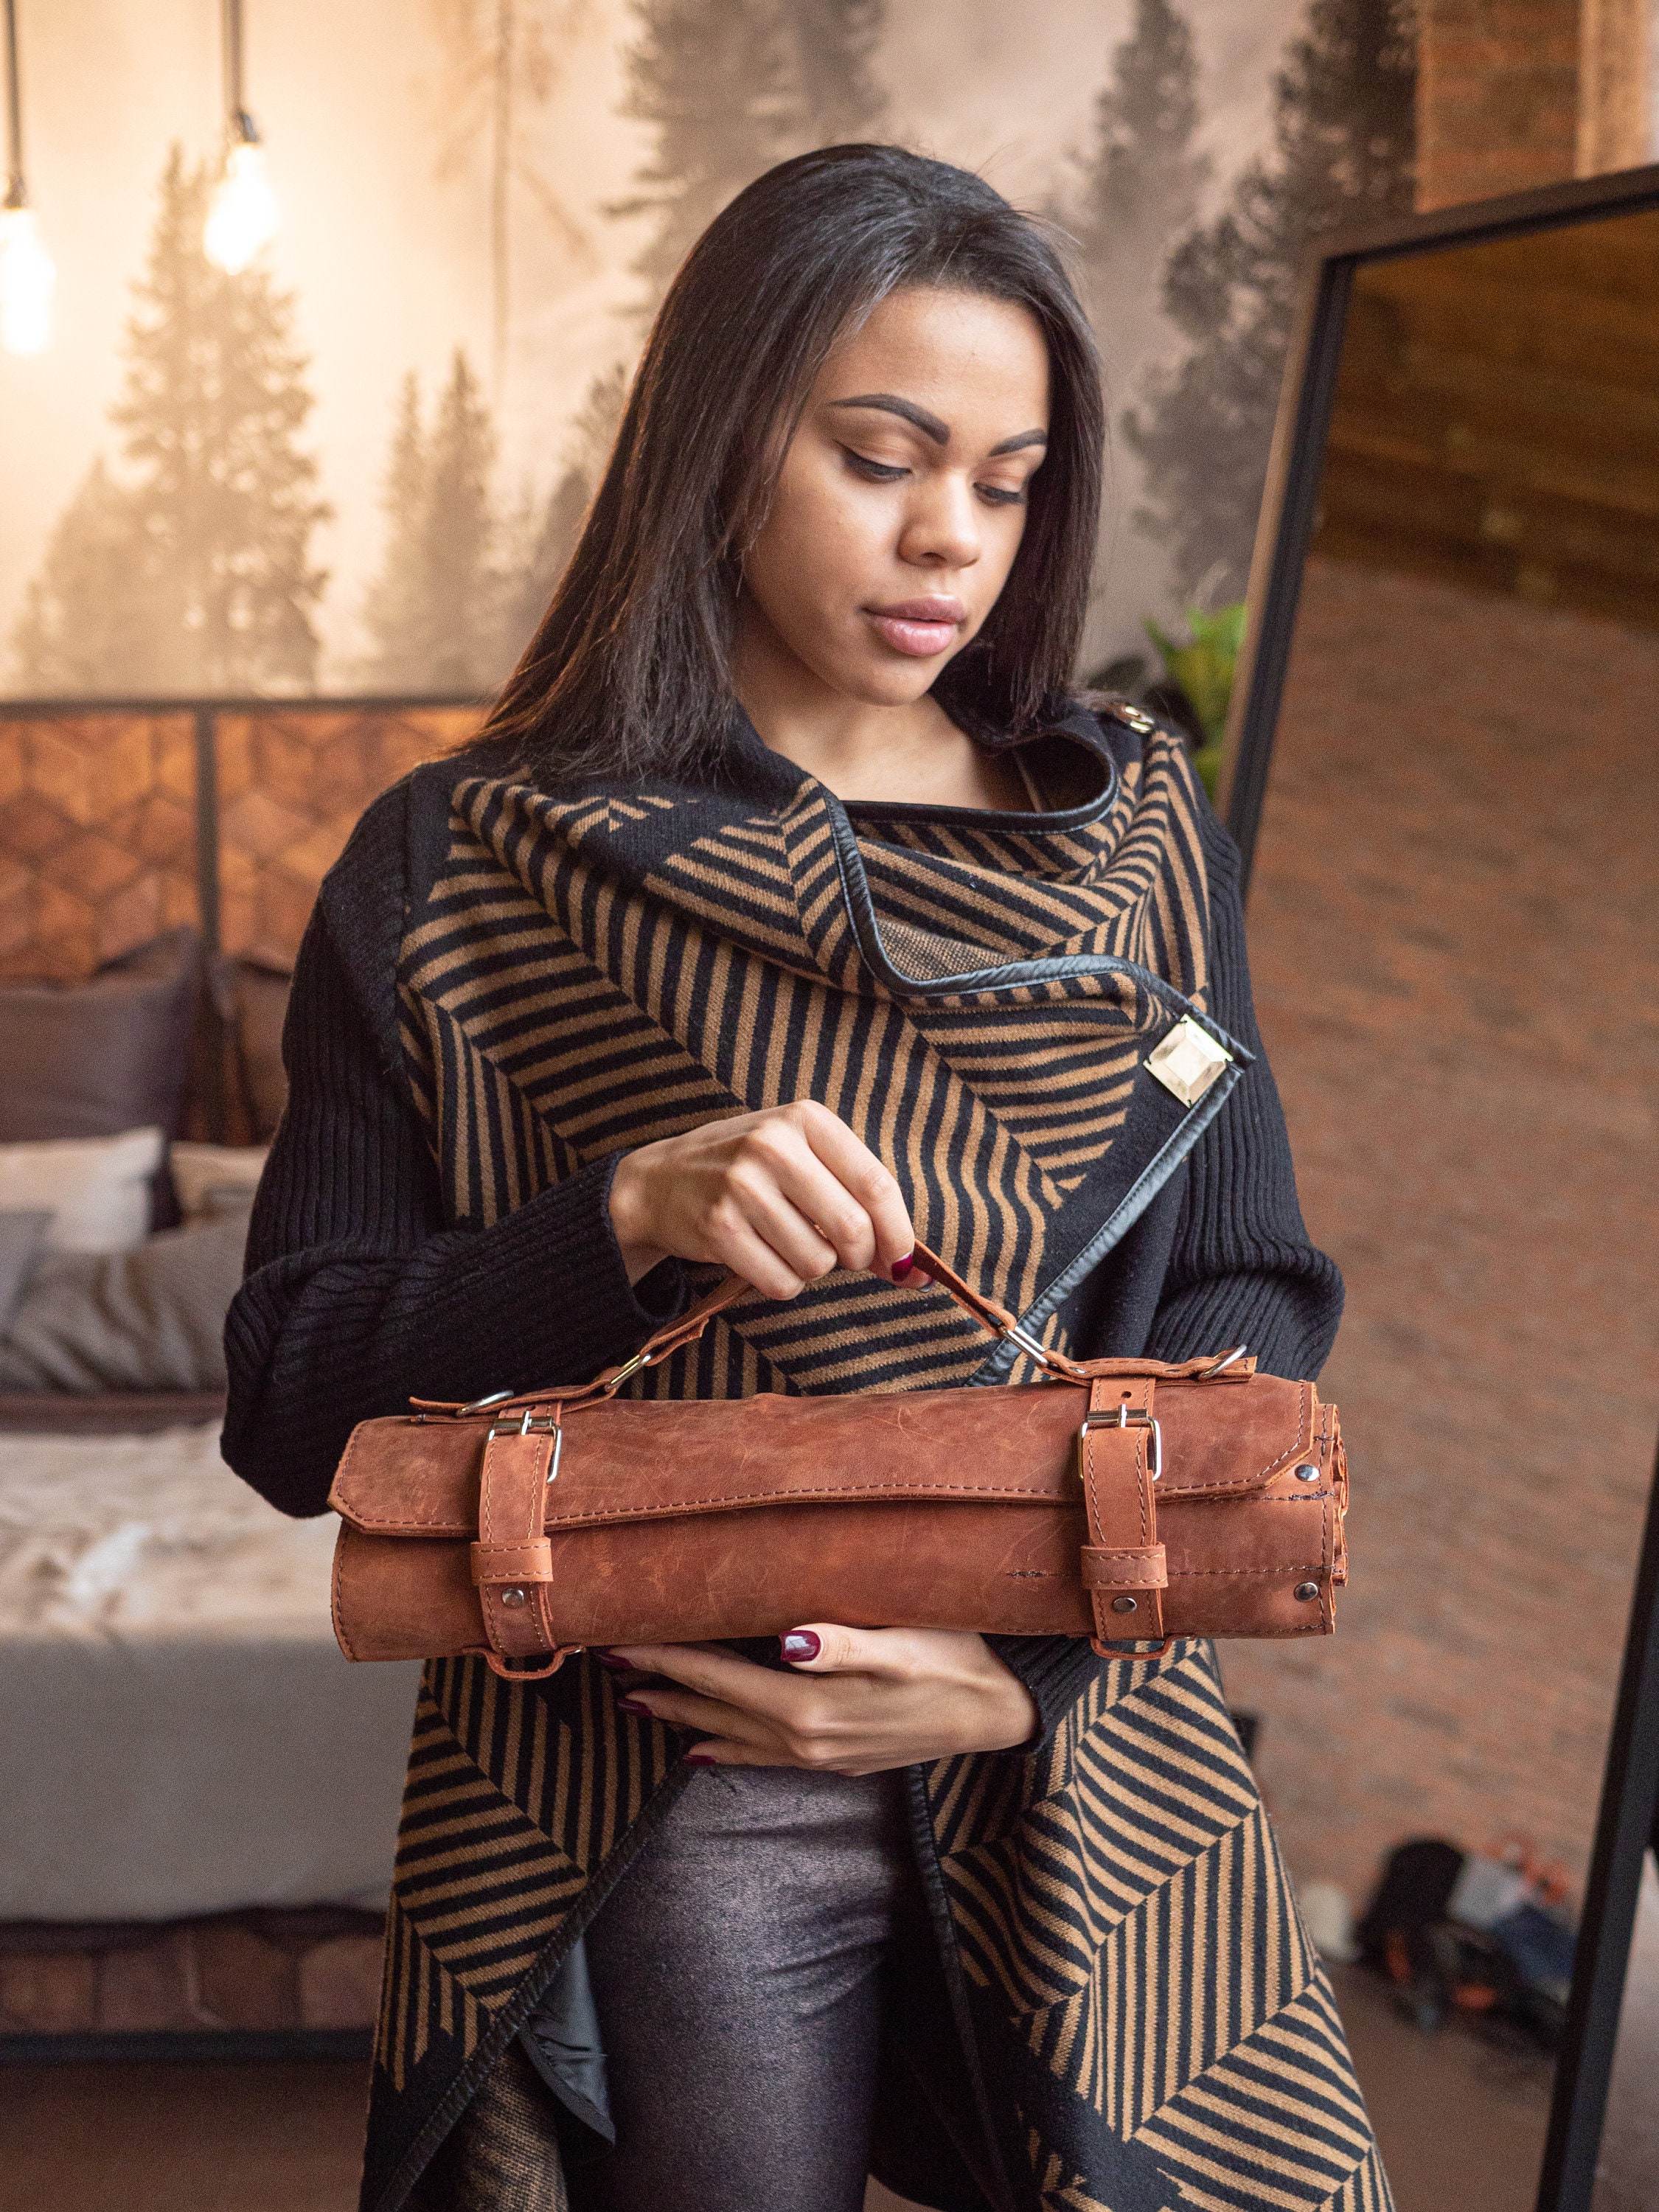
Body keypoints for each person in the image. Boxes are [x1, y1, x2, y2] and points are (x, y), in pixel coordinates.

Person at [225, 144, 1388, 2212]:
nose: (951, 537)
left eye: (1009, 480)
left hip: (1083, 1766)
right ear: (720, 440)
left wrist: (1009, 1678)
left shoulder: (1131, 841)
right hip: (684, 1807)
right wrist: (620, 1222)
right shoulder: (473, 867)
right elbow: (297, 1398)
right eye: (881, 455)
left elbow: (1247, 1303)